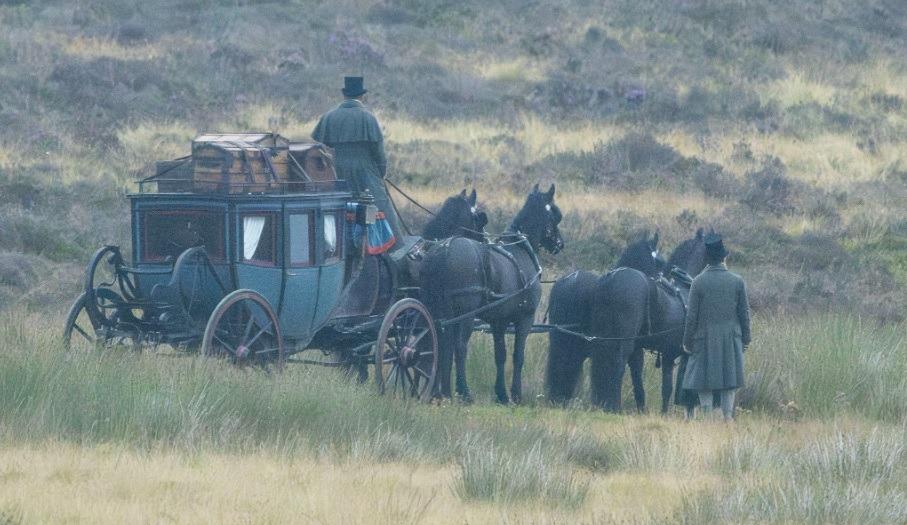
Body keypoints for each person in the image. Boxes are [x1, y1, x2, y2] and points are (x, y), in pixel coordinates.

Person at [312, 76, 402, 239]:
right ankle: (395, 253)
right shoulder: (369, 118)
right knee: (383, 210)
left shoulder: (328, 117)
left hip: (336, 176)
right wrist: (381, 174)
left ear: (344, 95)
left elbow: (317, 148)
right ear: (361, 96)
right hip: (366, 175)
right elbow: (379, 154)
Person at [681, 233, 751, 421]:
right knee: (730, 381)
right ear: (724, 257)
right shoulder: (737, 281)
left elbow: (691, 318)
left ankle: (706, 416)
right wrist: (746, 339)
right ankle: (728, 418)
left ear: (708, 259)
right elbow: (744, 314)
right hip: (731, 338)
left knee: (704, 382)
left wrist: (687, 342)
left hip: (704, 339)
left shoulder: (698, 282)